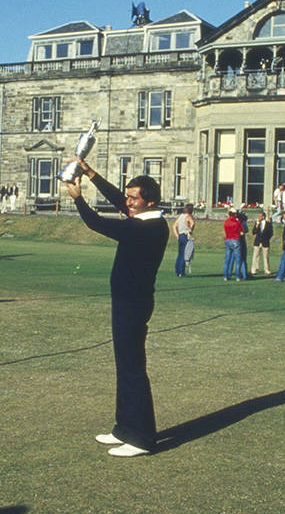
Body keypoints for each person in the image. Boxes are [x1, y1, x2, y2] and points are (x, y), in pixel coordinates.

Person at [64, 158, 168, 458]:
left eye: (134, 198)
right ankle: (125, 428)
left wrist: (79, 197)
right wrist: (90, 172)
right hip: (125, 302)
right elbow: (116, 198)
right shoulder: (144, 216)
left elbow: (95, 222)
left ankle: (143, 438)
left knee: (133, 370)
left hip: (133, 305)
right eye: (129, 196)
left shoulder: (147, 228)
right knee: (124, 367)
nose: (128, 202)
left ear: (148, 202)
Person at [222, 208, 245, 281]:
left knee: (227, 260)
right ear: (235, 214)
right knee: (238, 260)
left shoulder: (226, 222)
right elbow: (242, 232)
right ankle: (238, 276)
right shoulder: (237, 222)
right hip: (235, 240)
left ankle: (226, 276)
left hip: (228, 240)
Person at [172, 203, 194, 277]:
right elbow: (192, 223)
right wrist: (191, 230)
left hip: (180, 235)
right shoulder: (188, 216)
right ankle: (182, 272)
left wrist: (177, 235)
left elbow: (174, 226)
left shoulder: (180, 216)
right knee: (185, 254)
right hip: (186, 235)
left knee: (180, 253)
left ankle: (177, 271)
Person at [250, 211, 273, 275]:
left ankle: (267, 270)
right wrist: (257, 225)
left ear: (263, 217)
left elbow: (271, 233)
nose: (259, 217)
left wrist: (266, 239)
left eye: (260, 216)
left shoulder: (268, 224)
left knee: (266, 257)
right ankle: (254, 269)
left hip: (265, 242)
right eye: (258, 216)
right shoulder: (257, 223)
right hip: (257, 242)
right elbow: (253, 232)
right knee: (255, 256)